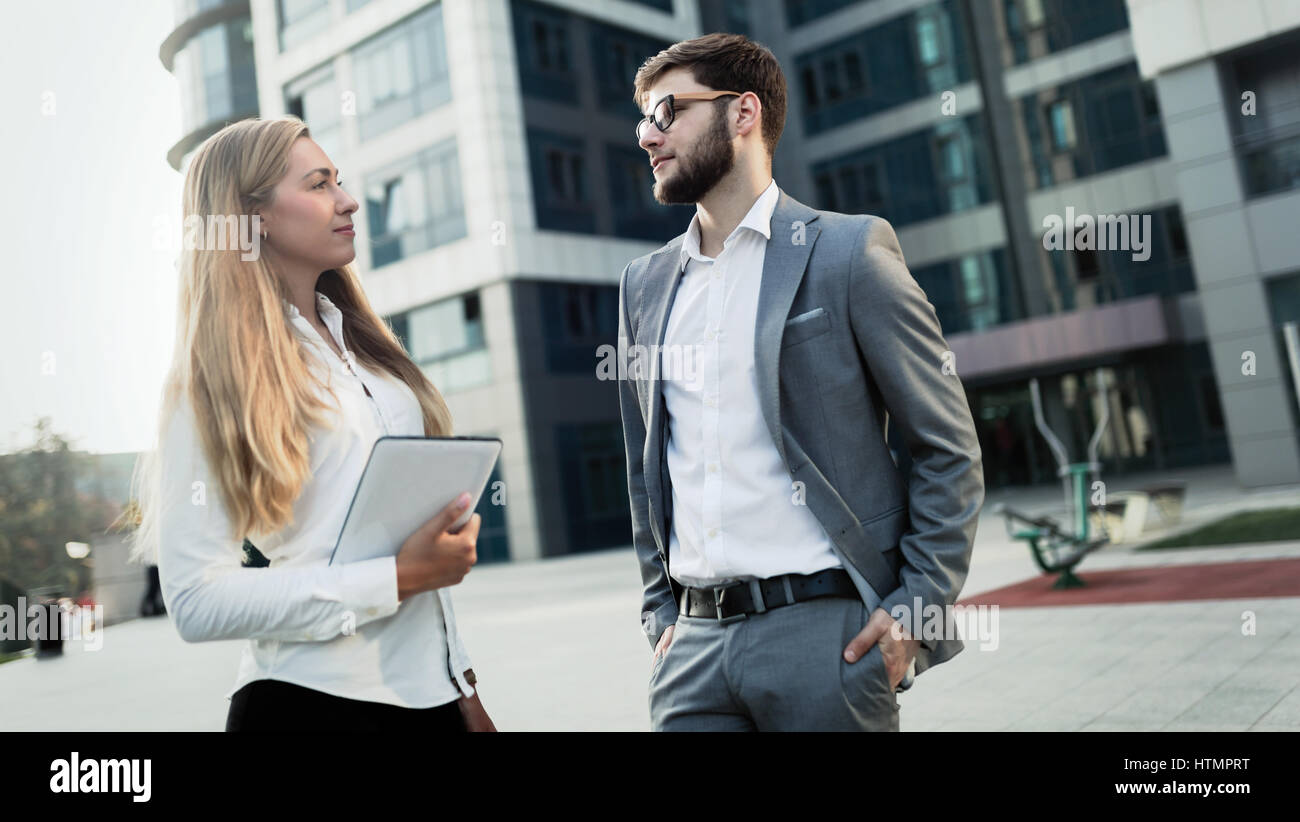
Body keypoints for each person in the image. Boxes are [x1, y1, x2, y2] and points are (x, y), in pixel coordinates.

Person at [617, 34, 984, 731]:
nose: (648, 136)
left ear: (744, 113)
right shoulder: (644, 286)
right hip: (692, 655)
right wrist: (659, 613)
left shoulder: (848, 253)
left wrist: (913, 612)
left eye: (666, 111)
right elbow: (644, 471)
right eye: (641, 120)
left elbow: (948, 449)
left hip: (828, 640)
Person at [121, 117, 495, 733]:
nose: (348, 200)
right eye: (319, 184)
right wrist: (396, 578)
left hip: (434, 699)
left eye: (338, 182)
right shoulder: (212, 376)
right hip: (308, 707)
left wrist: (463, 686)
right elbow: (195, 602)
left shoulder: (366, 350)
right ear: (253, 216)